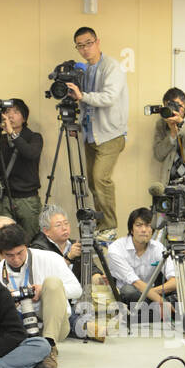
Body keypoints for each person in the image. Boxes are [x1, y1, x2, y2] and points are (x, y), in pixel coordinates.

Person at [0, 223, 82, 368]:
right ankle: (32, 350)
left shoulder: (49, 258)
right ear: (0, 253)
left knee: (52, 283)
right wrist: (7, 302)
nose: (17, 259)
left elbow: (77, 290)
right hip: (20, 328)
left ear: (27, 246)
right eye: (10, 255)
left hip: (55, 324)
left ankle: (49, 345)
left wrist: (43, 289)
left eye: (20, 253)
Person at [66, 27, 128, 231]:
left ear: (98, 42)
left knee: (101, 179)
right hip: (90, 134)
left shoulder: (112, 67)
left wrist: (82, 96)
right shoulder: (84, 70)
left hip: (110, 134)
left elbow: (109, 97)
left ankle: (109, 227)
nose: (85, 49)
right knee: (93, 182)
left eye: (88, 43)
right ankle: (101, 223)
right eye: (80, 46)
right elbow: (84, 103)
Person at [0, 98, 44, 240]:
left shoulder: (34, 137)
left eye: (16, 112)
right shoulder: (1, 140)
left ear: (24, 118)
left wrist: (13, 135)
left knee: (31, 240)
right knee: (5, 240)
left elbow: (30, 153)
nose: (10, 116)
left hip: (27, 199)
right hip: (6, 199)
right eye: (7, 112)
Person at [106, 206, 176, 310]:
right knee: (129, 291)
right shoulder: (116, 249)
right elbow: (136, 283)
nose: (144, 230)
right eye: (139, 225)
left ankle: (152, 307)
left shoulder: (158, 247)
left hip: (151, 293)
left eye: (148, 225)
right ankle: (156, 307)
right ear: (131, 229)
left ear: (152, 230)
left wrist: (152, 293)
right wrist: (161, 301)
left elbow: (175, 280)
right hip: (129, 296)